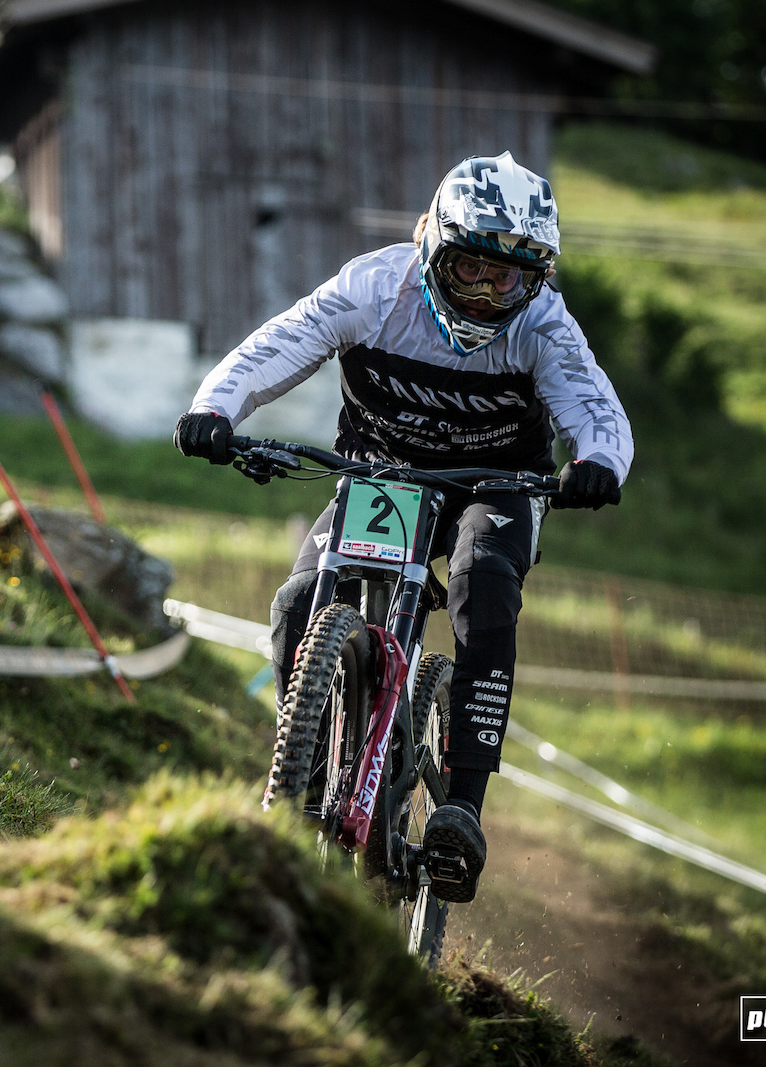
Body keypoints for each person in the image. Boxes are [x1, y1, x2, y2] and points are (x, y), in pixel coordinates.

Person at [173, 152, 633, 903]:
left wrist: (598, 462)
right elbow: (282, 341)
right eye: (469, 269)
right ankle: (304, 772)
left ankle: (462, 808)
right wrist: (215, 408)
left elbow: (594, 408)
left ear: (536, 278)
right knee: (298, 602)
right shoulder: (376, 288)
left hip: (495, 486)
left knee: (484, 581)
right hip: (382, 475)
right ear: (432, 245)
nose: (485, 294)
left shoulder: (544, 325)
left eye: (507, 279)